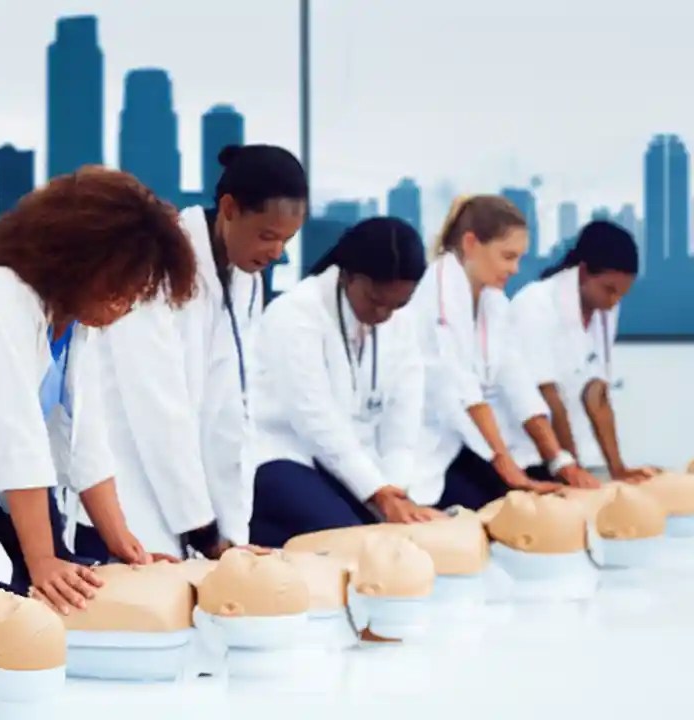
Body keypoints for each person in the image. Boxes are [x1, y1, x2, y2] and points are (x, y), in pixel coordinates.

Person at [0, 167, 199, 613]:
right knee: (2, 591)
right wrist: (44, 561)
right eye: (121, 287)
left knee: (46, 579)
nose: (126, 304)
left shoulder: (70, 326)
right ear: (78, 261)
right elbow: (20, 439)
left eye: (136, 292)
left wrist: (127, 548)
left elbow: (85, 439)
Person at [72, 144, 308, 562]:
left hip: (186, 501)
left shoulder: (245, 278)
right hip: (119, 487)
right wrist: (203, 529)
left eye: (287, 240)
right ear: (230, 208)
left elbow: (229, 414)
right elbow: (158, 408)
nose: (277, 253)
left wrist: (230, 536)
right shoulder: (155, 261)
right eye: (268, 236)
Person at [247, 217, 439, 548]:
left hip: (350, 466)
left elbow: (402, 425)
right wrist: (379, 494)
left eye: (398, 305)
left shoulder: (401, 323)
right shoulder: (294, 315)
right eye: (376, 301)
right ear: (348, 276)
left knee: (406, 538)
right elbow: (316, 422)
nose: (384, 314)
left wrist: (396, 491)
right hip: (281, 455)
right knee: (358, 545)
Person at [407, 195, 599, 513]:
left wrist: (560, 460)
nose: (514, 269)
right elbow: (461, 391)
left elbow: (518, 382)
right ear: (471, 243)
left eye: (519, 258)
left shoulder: (493, 301)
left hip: (471, 442)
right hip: (432, 445)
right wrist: (505, 464)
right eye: (507, 256)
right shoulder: (438, 293)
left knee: (550, 491)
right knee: (512, 507)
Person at [509, 220, 656, 482]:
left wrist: (617, 469)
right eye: (609, 290)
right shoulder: (534, 304)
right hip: (524, 457)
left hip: (568, 458)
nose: (613, 303)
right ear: (585, 271)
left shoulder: (604, 310)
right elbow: (548, 399)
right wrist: (570, 468)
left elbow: (596, 394)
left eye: (621, 294)